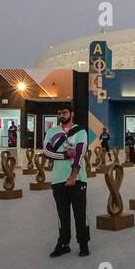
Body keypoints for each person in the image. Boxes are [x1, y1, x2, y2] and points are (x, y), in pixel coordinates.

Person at [41, 103, 89, 257]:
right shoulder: (52, 132)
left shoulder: (80, 131)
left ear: (72, 114)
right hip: (58, 179)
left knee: (80, 213)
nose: (61, 115)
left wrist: (73, 176)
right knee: (62, 215)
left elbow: (80, 153)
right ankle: (63, 243)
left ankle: (83, 244)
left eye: (64, 112)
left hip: (78, 179)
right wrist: (66, 155)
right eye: (59, 113)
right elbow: (46, 152)